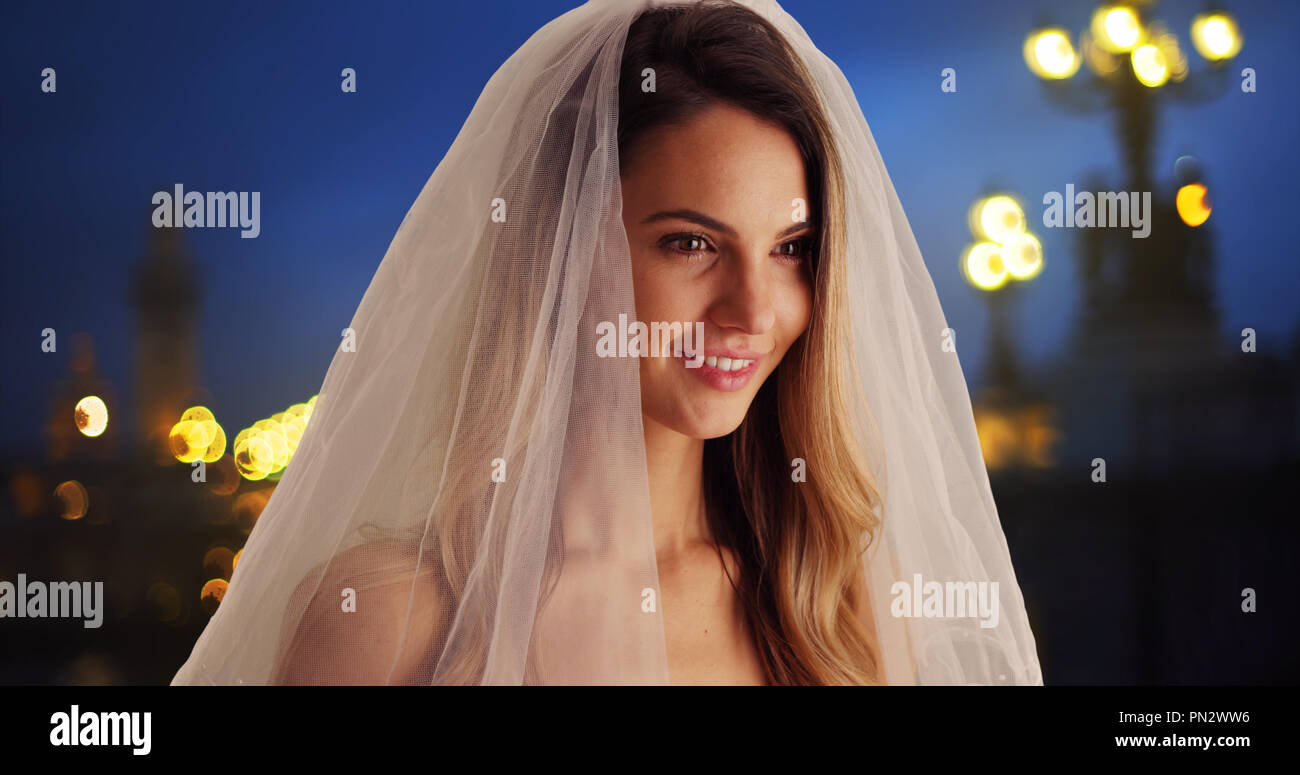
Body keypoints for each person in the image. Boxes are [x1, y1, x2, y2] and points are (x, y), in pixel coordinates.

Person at [172, 0, 1044, 686]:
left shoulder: (844, 614)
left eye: (790, 250)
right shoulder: (389, 621)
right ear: (559, 252)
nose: (752, 309)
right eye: (691, 243)